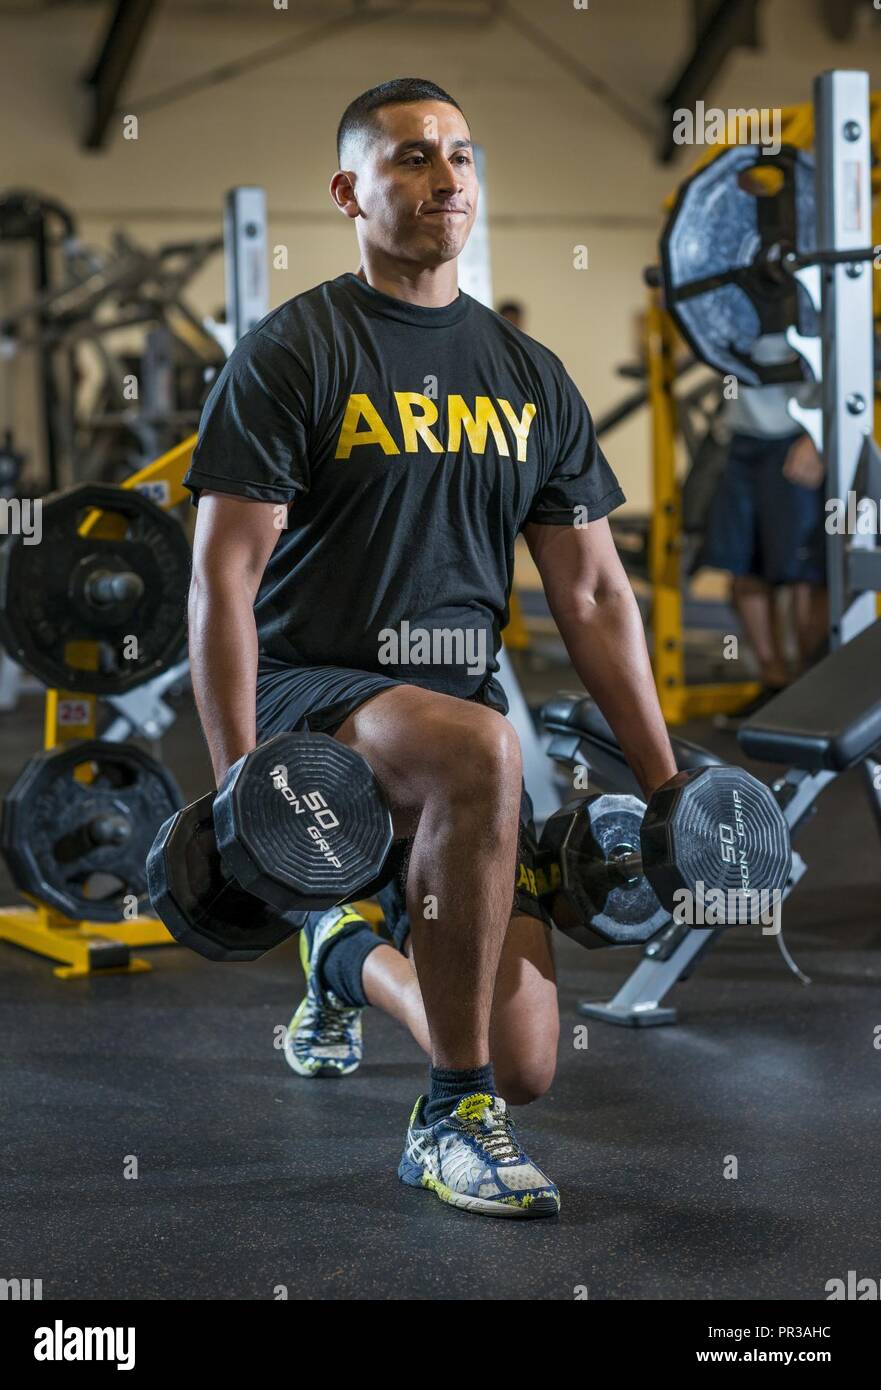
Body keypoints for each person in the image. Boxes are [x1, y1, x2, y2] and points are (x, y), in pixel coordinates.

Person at [183, 77, 678, 1220]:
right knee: (480, 749)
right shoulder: (294, 351)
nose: (444, 176)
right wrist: (238, 787)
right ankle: (448, 1118)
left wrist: (664, 790)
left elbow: (597, 590)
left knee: (533, 1060)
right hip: (318, 688)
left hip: (451, 711)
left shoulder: (527, 376)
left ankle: (340, 953)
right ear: (352, 192)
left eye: (460, 154)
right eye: (411, 156)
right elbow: (223, 578)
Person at [699, 335, 828, 709]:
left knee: (803, 575)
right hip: (740, 441)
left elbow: (842, 363)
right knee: (743, 569)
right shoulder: (726, 299)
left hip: (796, 437)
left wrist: (818, 437)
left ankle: (809, 691)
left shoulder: (807, 291)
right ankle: (774, 686)